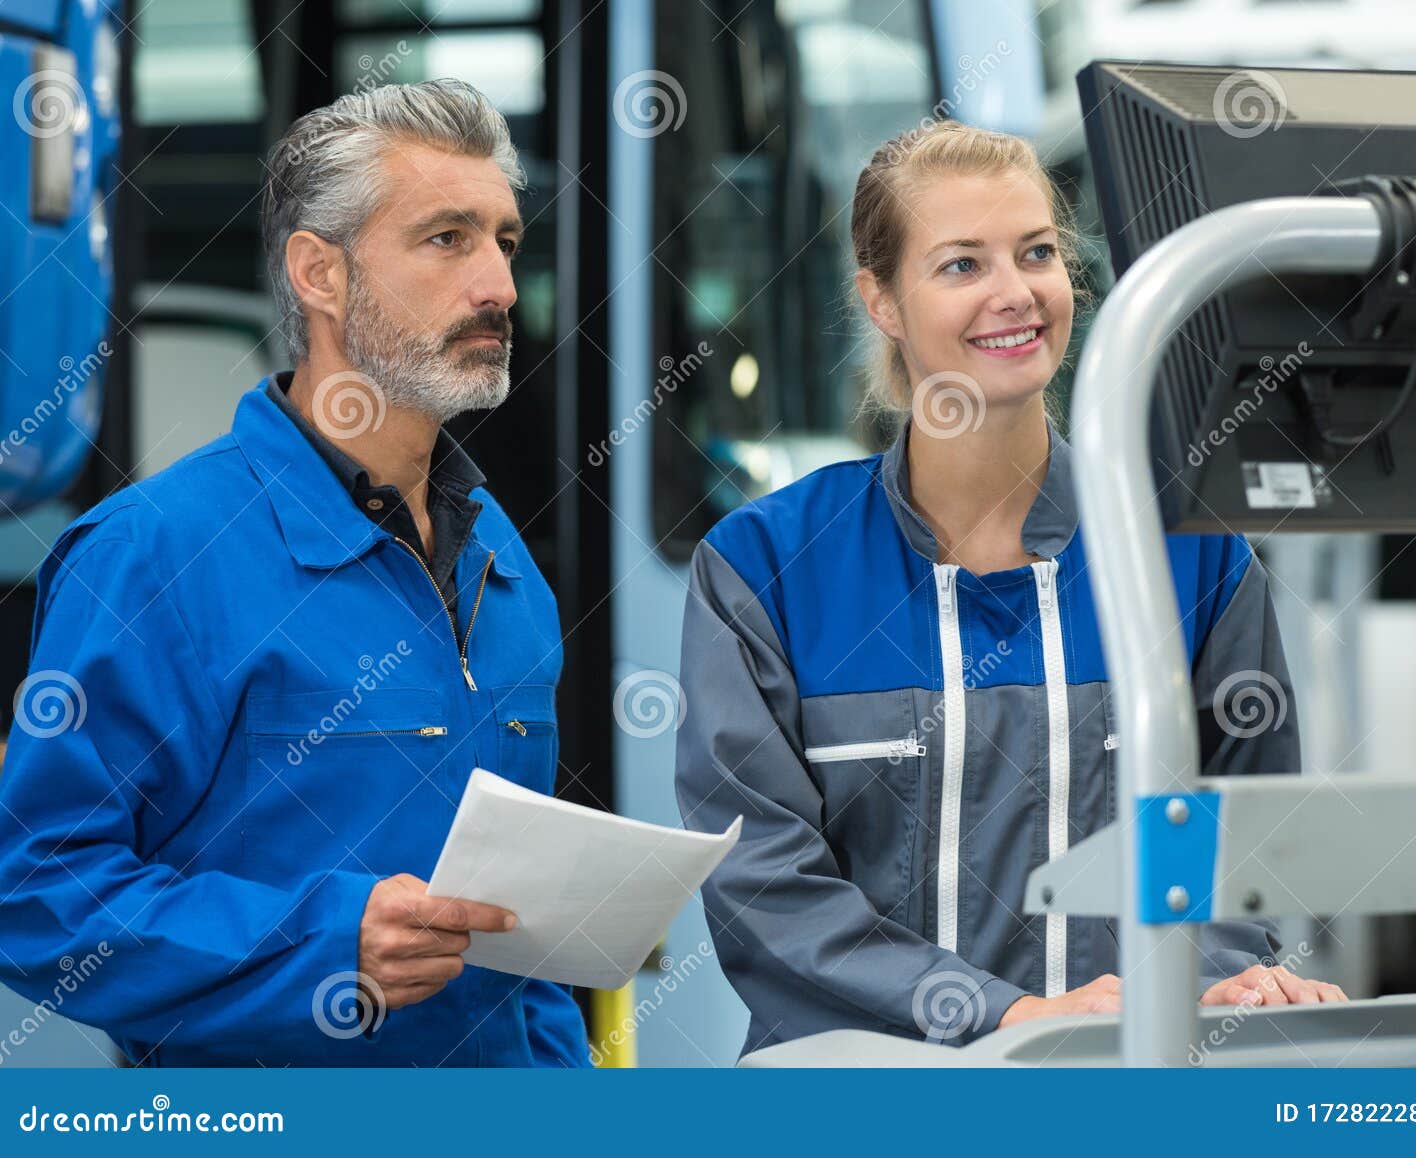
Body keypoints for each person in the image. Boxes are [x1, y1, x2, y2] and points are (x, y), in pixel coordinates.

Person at [674, 120, 1347, 1054]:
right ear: (881, 300)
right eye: (962, 264)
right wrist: (1006, 1017)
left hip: (1124, 1087)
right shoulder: (765, 568)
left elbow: (1238, 843)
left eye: (1037, 253)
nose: (1017, 292)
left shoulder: (1191, 552)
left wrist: (1222, 985)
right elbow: (764, 889)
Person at [0, 80, 589, 1067]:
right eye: (447, 239)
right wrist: (321, 946)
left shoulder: (501, 558)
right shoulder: (153, 555)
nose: (497, 287)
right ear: (320, 272)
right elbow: (35, 892)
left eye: (505, 242)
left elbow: (514, 949)